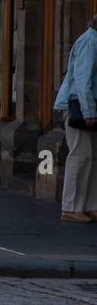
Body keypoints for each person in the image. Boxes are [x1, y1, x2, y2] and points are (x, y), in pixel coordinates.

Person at [56, 15, 97, 222]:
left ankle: (88, 205)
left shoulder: (91, 40)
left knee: (89, 156)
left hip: (84, 106)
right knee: (80, 155)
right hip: (77, 107)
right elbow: (82, 79)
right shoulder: (91, 42)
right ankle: (71, 207)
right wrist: (89, 111)